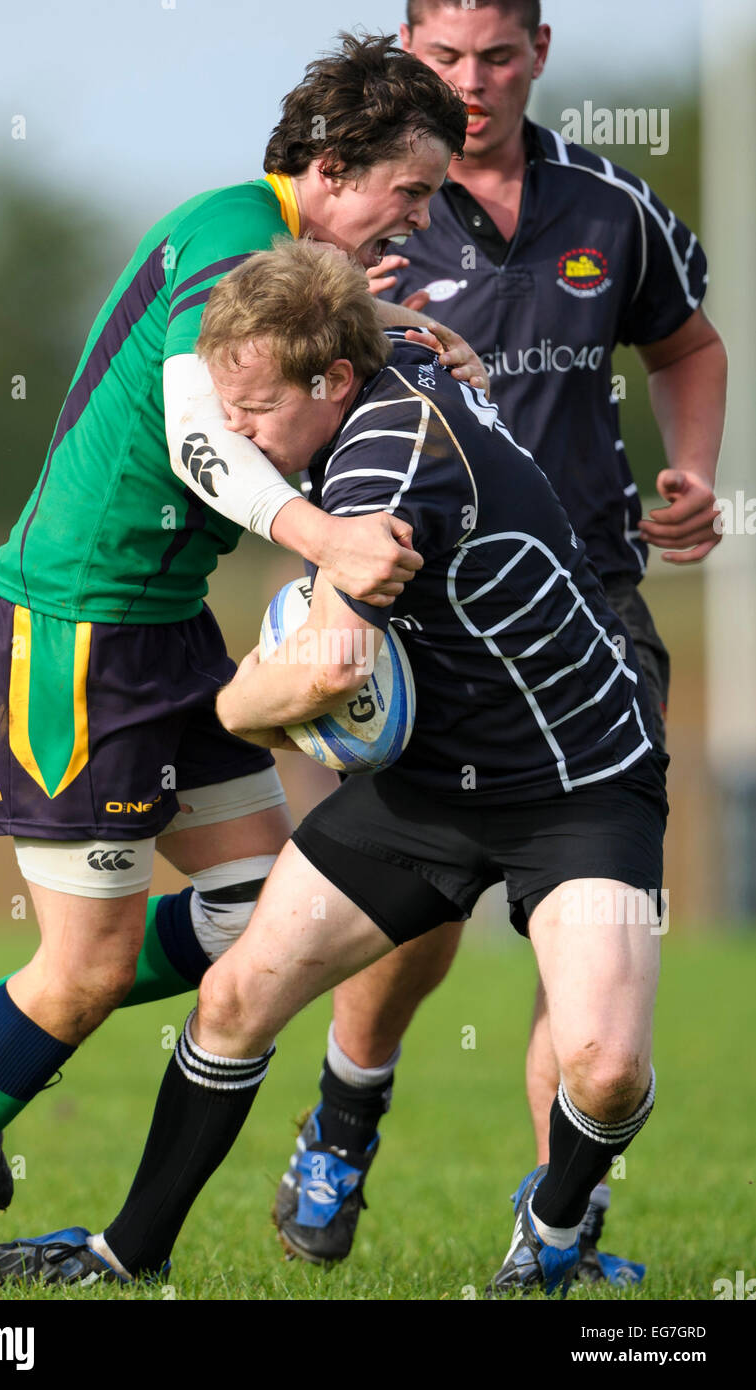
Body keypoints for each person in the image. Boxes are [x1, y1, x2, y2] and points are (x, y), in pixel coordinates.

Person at [0, 240, 668, 1296]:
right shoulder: (386, 355)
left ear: (330, 383)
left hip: (580, 779)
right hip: (427, 787)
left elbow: (322, 673)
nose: (234, 435)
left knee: (604, 1069)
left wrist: (222, 705)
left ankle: (555, 1234)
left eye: (252, 410)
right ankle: (125, 1254)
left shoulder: (382, 466)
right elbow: (403, 326)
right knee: (238, 993)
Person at [0, 33, 484, 1283]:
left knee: (266, 914)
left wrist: (395, 344)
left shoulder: (303, 275)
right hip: (71, 630)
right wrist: (328, 539)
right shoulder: (230, 234)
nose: (421, 220)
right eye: (410, 193)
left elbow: (295, 405)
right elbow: (202, 431)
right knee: (86, 972)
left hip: (169, 631)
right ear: (330, 166)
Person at [269, 0, 727, 1283]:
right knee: (409, 912)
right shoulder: (359, 215)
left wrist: (692, 471)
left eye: (497, 56)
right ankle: (345, 1118)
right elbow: (260, 385)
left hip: (594, 617)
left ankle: (558, 1243)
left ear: (540, 52)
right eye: (442, 58)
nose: (471, 83)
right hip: (421, 623)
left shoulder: (612, 207)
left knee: (583, 932)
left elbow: (688, 341)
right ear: (408, 52)